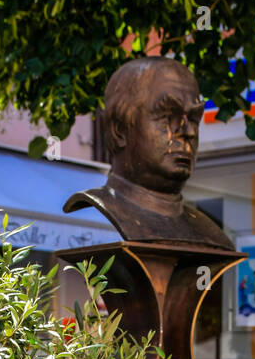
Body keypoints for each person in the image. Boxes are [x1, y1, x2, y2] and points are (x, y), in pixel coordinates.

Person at [64, 57, 235, 249]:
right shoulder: (102, 209)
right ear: (119, 130)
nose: (189, 132)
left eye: (194, 119)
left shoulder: (211, 235)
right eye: (167, 116)